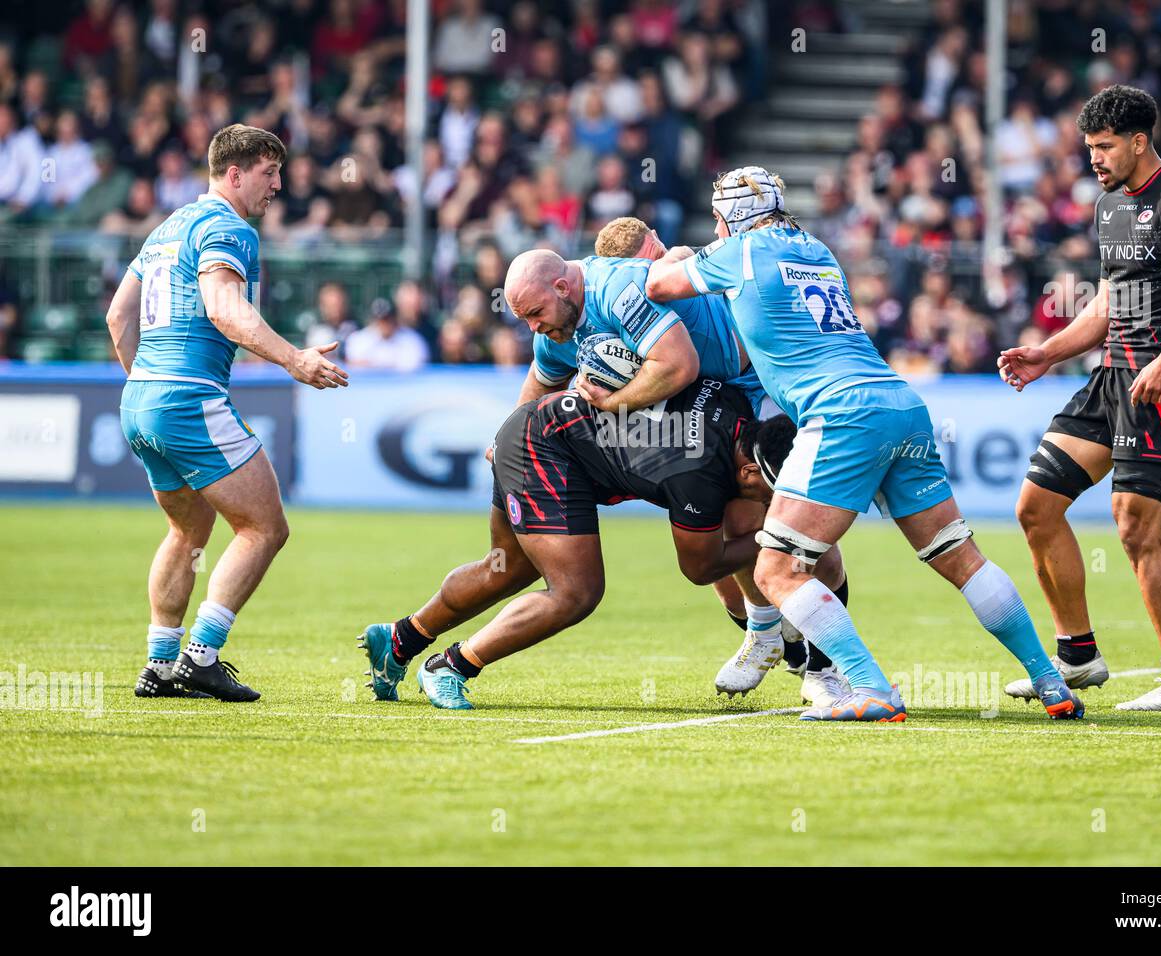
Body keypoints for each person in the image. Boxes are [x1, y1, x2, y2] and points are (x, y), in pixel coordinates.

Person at [646, 166, 1083, 722]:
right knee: (959, 555)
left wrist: (683, 251)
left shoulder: (743, 250)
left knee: (774, 570)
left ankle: (871, 687)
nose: (716, 227)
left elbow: (660, 285)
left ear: (731, 217)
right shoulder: (817, 249)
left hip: (841, 412)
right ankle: (1050, 681)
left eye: (717, 217)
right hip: (900, 402)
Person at [998, 85, 1161, 712]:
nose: (1095, 159)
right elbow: (1111, 301)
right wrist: (1049, 352)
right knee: (1036, 506)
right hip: (1109, 380)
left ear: (1139, 141)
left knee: (1136, 529)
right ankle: (1077, 656)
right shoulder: (1110, 206)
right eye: (1089, 148)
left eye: (1105, 147)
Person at [356, 381, 794, 710]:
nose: (772, 504)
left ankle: (400, 639)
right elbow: (699, 568)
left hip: (537, 426)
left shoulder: (732, 401)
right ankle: (451, 665)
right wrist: (774, 539)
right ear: (750, 474)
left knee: (504, 568)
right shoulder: (698, 475)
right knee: (576, 592)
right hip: (546, 450)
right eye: (771, 494)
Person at [105, 123, 347, 702]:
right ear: (234, 175)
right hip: (188, 396)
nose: (279, 185)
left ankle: (160, 664)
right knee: (265, 527)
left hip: (139, 399)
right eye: (270, 173)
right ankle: (200, 657)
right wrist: (295, 361)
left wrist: (147, 384)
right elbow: (224, 310)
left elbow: (118, 317)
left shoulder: (166, 227)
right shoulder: (226, 226)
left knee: (187, 528)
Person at [592, 215, 848, 703]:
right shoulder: (618, 311)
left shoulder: (675, 266)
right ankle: (767, 634)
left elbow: (683, 255)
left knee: (801, 522)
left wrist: (667, 260)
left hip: (767, 397)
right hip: (714, 417)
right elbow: (550, 366)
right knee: (724, 523)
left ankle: (822, 665)